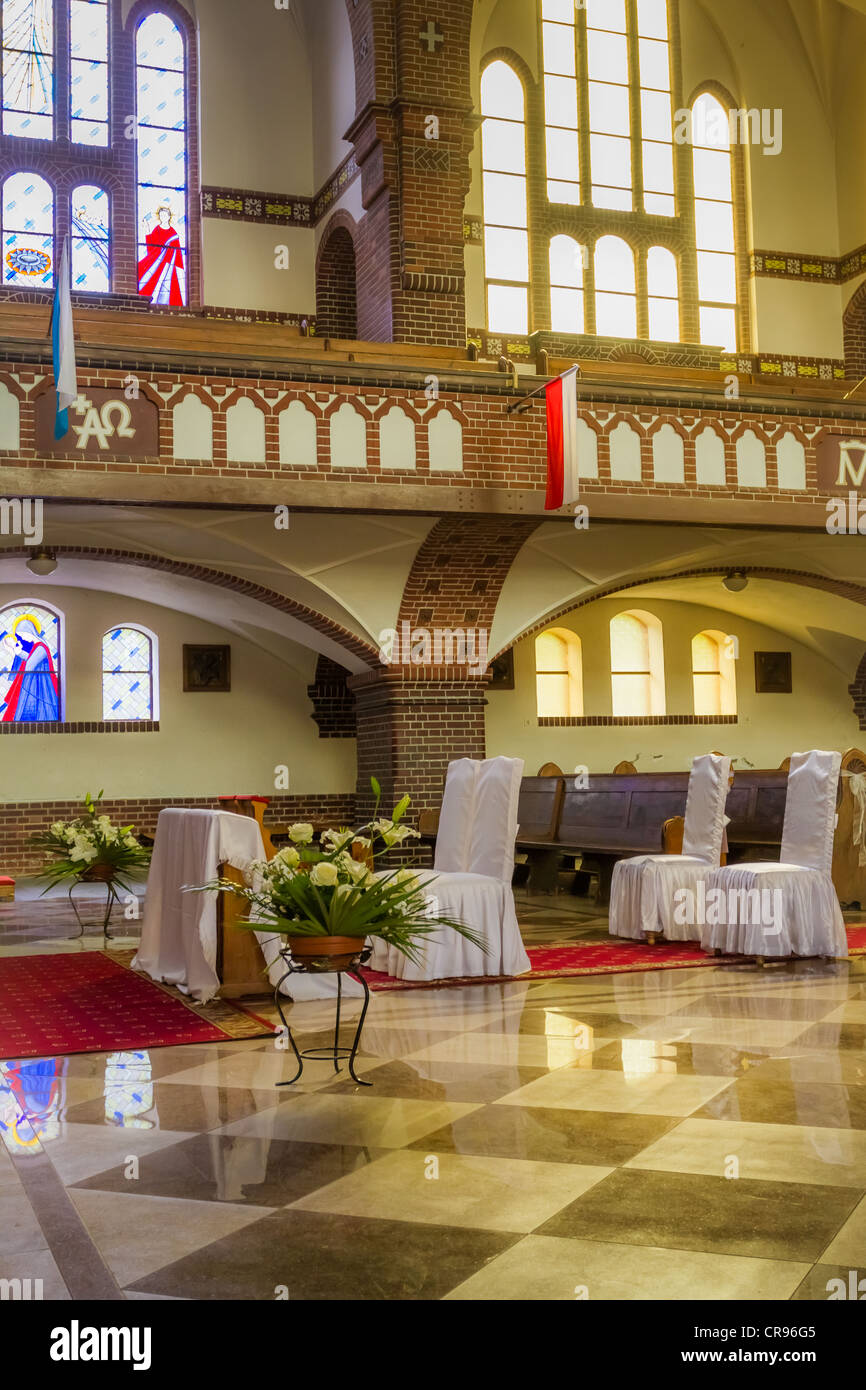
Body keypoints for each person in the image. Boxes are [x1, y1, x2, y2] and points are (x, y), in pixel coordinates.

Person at [0, 614, 60, 721]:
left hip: (40, 685)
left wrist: (17, 651)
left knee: (40, 712)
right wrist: (18, 652)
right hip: (34, 682)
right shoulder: (37, 646)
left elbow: (29, 665)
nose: (22, 638)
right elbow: (30, 660)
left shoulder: (41, 647)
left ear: (29, 632)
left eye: (22, 635)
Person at [137, 202, 186, 306]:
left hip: (170, 264)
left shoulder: (173, 233)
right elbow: (152, 248)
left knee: (170, 285)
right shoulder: (157, 229)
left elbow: (177, 252)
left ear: (169, 217)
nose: (163, 217)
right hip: (157, 261)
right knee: (140, 269)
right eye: (161, 215)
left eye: (165, 215)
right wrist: (147, 230)